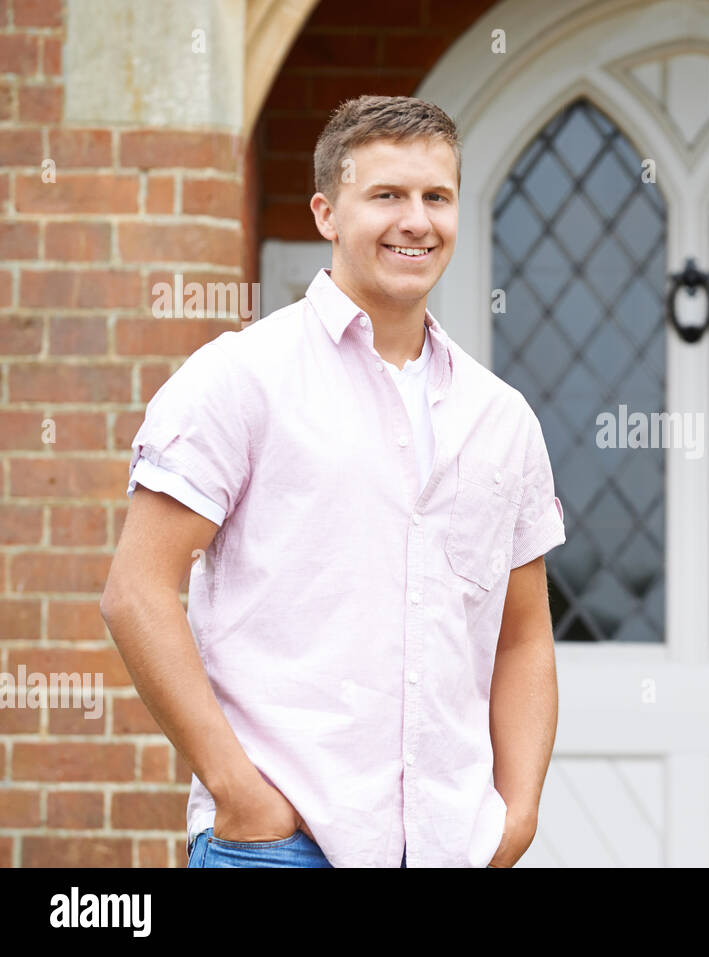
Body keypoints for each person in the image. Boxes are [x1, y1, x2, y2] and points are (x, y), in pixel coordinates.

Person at [100, 95, 566, 868]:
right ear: (326, 212)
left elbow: (524, 634)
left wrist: (516, 814)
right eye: (386, 195)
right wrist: (238, 792)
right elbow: (135, 590)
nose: (415, 220)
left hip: (453, 846)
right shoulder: (241, 377)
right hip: (281, 846)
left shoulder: (503, 417)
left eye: (435, 197)